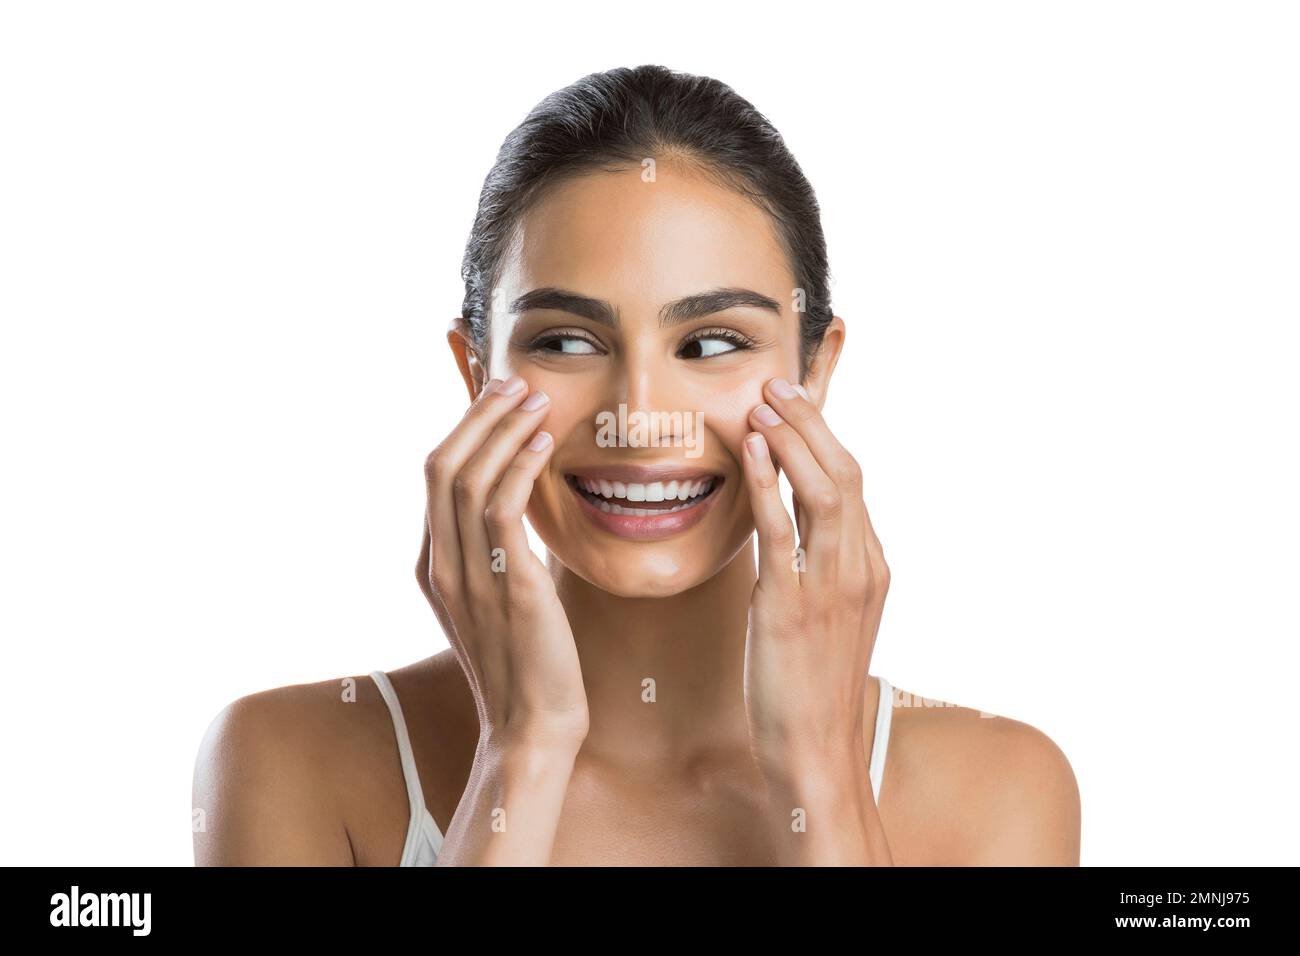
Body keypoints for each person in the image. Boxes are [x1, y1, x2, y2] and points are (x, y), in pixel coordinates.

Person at [192, 64, 1080, 866]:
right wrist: (525, 752)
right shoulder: (288, 760)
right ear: (476, 375)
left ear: (814, 370)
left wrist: (822, 774)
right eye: (569, 340)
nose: (638, 418)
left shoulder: (1000, 791)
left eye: (713, 342)